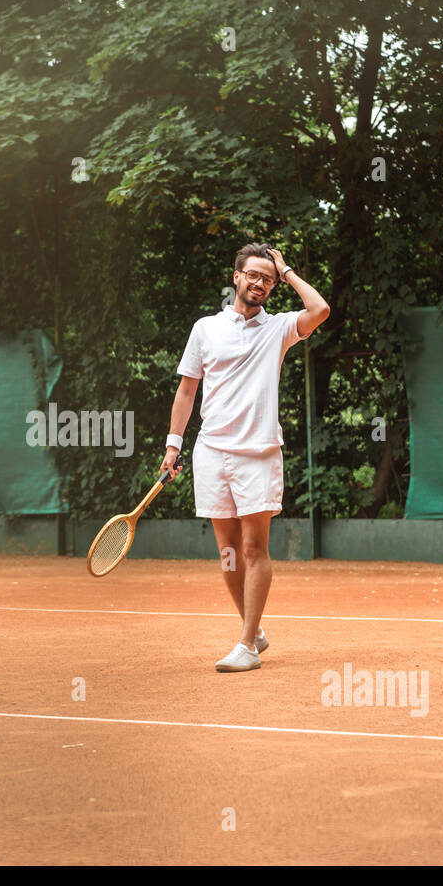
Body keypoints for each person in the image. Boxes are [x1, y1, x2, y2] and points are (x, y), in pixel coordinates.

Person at [161, 242, 331, 671]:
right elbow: (186, 390)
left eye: (267, 279)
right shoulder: (205, 329)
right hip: (211, 453)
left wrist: (287, 269)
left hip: (258, 453)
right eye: (253, 275)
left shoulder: (279, 329)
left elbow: (321, 309)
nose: (260, 283)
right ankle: (253, 630)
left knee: (254, 547)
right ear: (236, 277)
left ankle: (246, 647)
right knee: (229, 553)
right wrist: (173, 444)